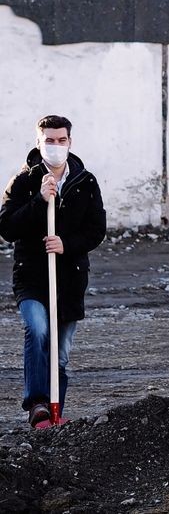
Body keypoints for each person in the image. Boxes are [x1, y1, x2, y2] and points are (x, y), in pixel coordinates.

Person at [0, 115, 106, 426]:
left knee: (60, 351)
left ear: (70, 142)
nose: (56, 146)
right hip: (32, 274)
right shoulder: (24, 181)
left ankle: (55, 407)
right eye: (49, 140)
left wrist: (66, 244)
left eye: (61, 140)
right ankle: (37, 406)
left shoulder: (84, 182)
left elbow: (96, 229)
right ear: (39, 142)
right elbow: (6, 226)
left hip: (69, 278)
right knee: (37, 330)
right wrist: (39, 200)